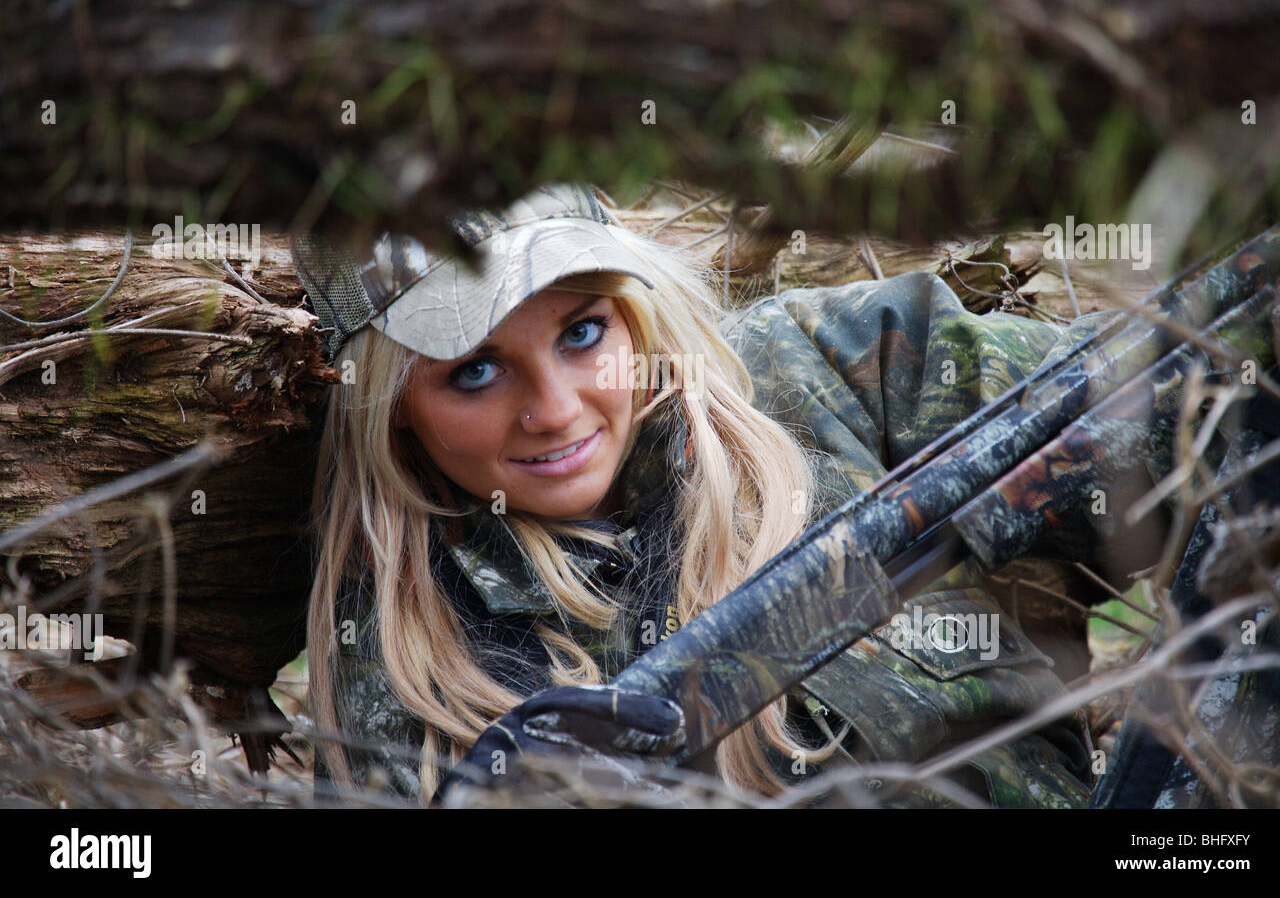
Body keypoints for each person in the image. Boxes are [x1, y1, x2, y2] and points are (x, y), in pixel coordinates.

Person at [290, 183, 1191, 807]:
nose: (557, 412)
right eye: (477, 371)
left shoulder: (834, 369)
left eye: (583, 331)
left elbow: (1194, 410)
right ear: (391, 413)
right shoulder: (411, 669)